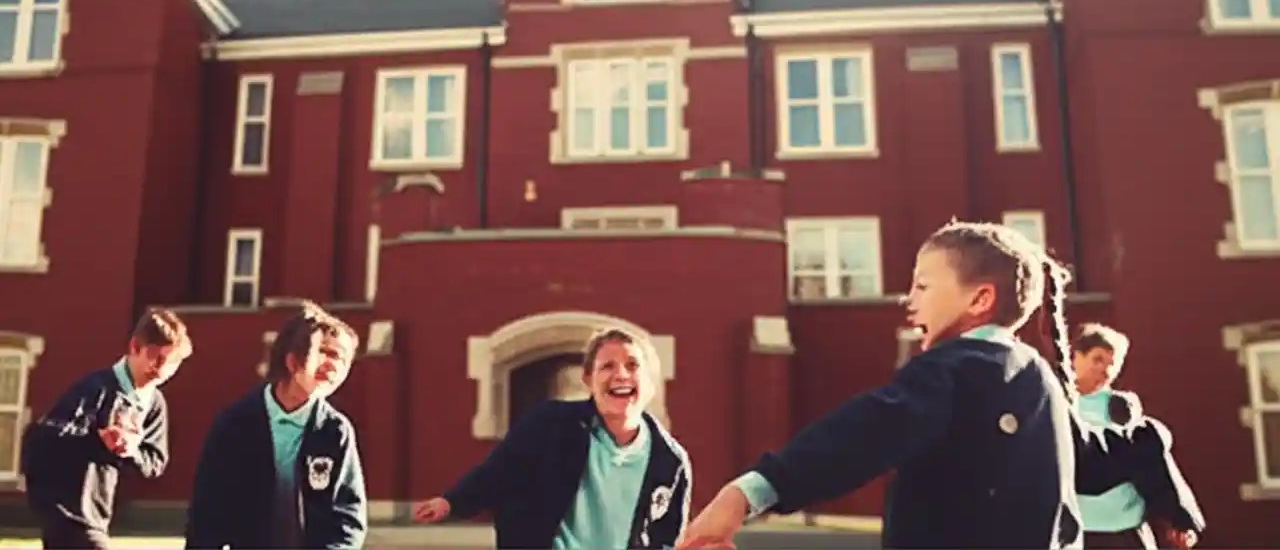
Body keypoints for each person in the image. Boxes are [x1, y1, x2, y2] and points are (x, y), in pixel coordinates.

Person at [678, 220, 1203, 550]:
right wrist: (1171, 500)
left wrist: (749, 491)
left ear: (979, 300)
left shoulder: (955, 368)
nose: (908, 300)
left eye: (922, 286)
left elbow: (865, 432)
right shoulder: (1040, 377)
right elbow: (1106, 455)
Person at [413, 327, 693, 550]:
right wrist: (452, 502)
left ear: (650, 381)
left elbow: (666, 538)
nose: (621, 374)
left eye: (632, 365)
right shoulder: (551, 424)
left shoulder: (670, 460)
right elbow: (499, 471)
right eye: (607, 366)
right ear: (588, 379)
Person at [184, 302, 367, 549]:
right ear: (291, 359)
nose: (334, 366)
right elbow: (207, 514)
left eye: (343, 359)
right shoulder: (235, 425)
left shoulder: (335, 431)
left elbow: (348, 518)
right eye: (325, 352)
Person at [21, 308, 193, 549]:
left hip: (98, 513)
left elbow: (155, 462)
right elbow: (46, 435)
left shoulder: (154, 403)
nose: (161, 369)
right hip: (68, 512)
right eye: (156, 357)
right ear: (135, 347)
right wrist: (99, 438)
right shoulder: (96, 389)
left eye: (172, 363)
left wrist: (131, 450)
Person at [1072, 323, 1203, 549]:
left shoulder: (1120, 408)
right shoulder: (1057, 403)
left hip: (1126, 529)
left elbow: (1154, 465)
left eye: (1113, 364)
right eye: (1097, 359)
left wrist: (1177, 519)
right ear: (1075, 357)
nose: (1105, 371)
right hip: (1076, 531)